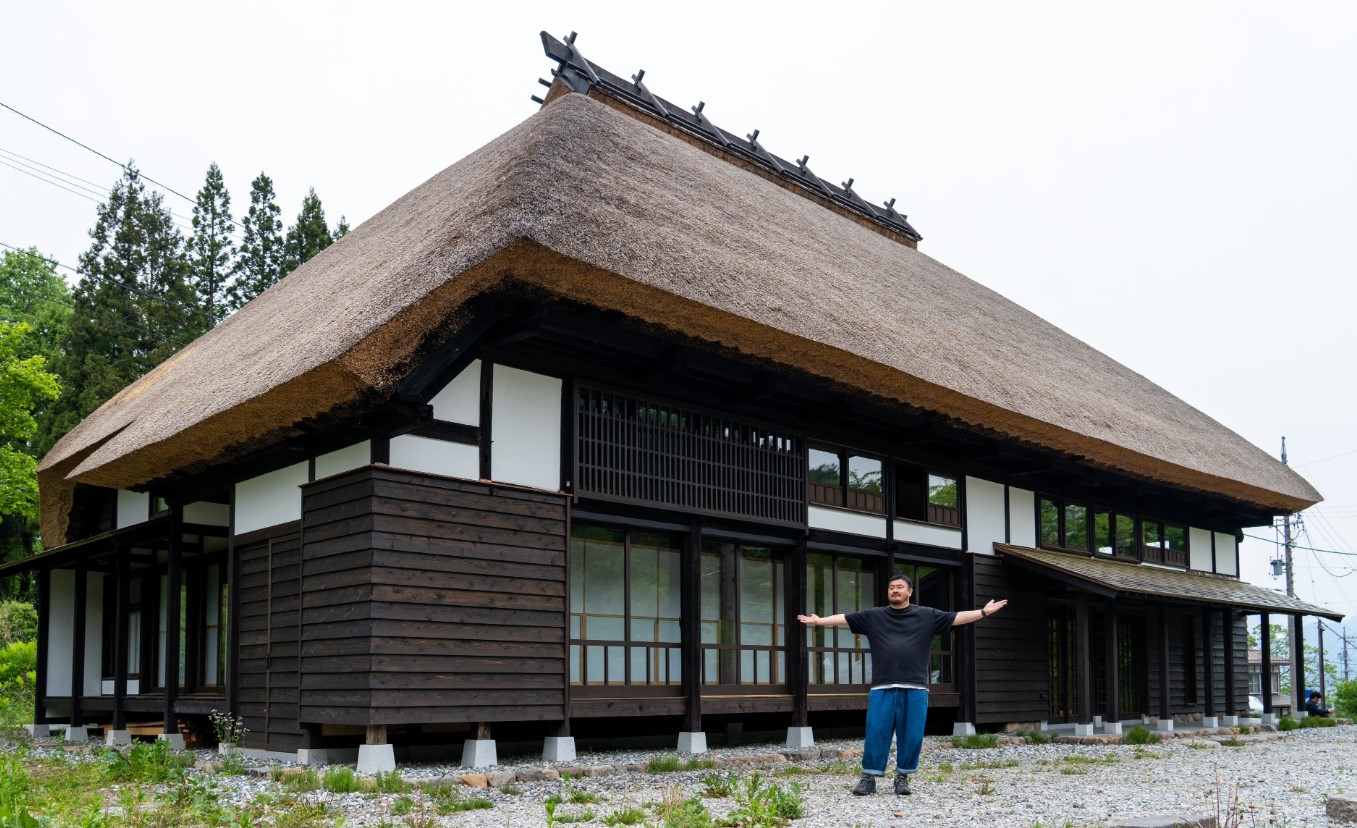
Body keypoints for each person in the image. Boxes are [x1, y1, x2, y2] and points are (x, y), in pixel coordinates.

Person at [798, 574, 1007, 796]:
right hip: (882, 687)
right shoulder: (874, 616)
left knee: (912, 735)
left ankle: (902, 778)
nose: (895, 590)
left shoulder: (927, 615)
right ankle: (868, 778)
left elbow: (956, 617)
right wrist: (819, 621)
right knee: (877, 732)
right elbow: (844, 618)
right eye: (891, 587)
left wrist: (983, 612)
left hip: (915, 687)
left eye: (899, 587)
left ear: (909, 591)